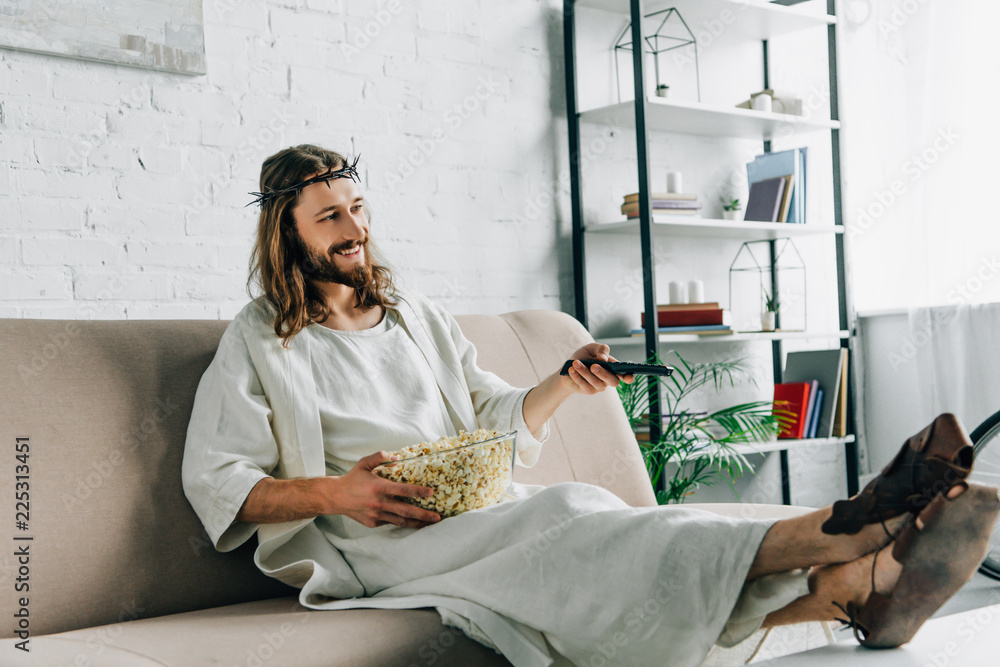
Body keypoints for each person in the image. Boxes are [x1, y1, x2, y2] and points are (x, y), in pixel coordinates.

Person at [182, 144, 999, 667]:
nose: (354, 228)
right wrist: (338, 493)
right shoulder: (260, 340)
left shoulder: (414, 318)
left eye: (358, 209)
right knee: (574, 514)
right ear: (287, 236)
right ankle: (854, 524)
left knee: (600, 520)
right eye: (330, 217)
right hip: (375, 543)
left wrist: (562, 385)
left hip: (472, 508)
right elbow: (218, 478)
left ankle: (856, 586)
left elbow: (495, 419)